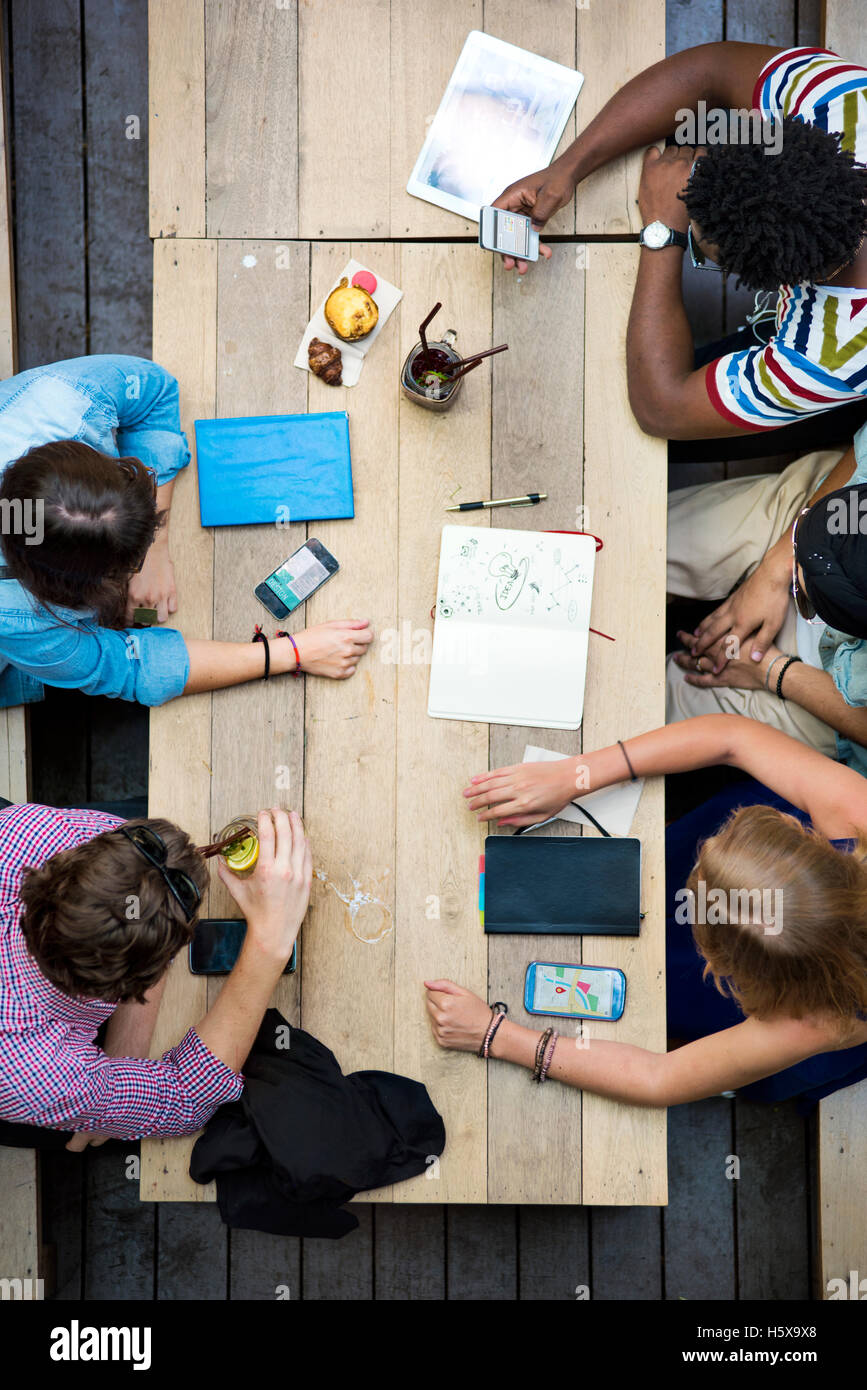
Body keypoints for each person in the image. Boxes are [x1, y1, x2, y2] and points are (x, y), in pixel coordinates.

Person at [425, 714, 867, 1106]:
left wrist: (497, 1037)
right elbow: (733, 736)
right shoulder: (857, 813)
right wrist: (574, 775)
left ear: (737, 972)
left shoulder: (825, 1016)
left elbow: (661, 1077)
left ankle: (729, 1069)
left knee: (704, 1043)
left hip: (786, 988)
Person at [493, 43, 867, 448]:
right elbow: (709, 69)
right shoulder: (841, 102)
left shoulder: (829, 356)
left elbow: (662, 409)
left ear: (767, 281)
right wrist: (568, 167)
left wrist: (662, 233)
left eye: (699, 246)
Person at [0, 356, 372, 707]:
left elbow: (155, 392)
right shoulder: (20, 623)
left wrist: (155, 549)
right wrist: (289, 654)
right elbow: (129, 669)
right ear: (72, 587)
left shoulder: (63, 402)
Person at [0, 803, 310, 1147]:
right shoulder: (30, 1073)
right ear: (135, 985)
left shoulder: (29, 832)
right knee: (79, 1141)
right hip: (22, 1087)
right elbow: (185, 1101)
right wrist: (269, 942)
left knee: (93, 1130)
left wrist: (105, 1090)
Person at [668, 432, 867, 773]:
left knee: (660, 709)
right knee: (646, 543)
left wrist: (771, 671)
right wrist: (778, 565)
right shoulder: (812, 542)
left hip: (834, 704)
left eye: (805, 601)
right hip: (811, 515)